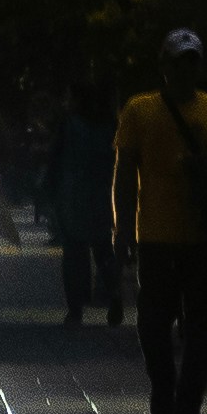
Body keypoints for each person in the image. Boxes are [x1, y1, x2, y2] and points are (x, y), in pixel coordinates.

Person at [112, 29, 207, 414]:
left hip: (204, 235)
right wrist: (121, 227)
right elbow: (124, 173)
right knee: (154, 319)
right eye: (178, 61)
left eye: (192, 61)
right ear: (164, 66)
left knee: (201, 323)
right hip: (154, 232)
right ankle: (163, 383)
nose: (185, 69)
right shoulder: (140, 110)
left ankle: (188, 406)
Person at [38, 75, 123, 328]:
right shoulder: (110, 123)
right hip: (102, 196)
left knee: (74, 253)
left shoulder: (69, 124)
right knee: (103, 250)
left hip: (72, 196)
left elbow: (55, 159)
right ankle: (114, 295)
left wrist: (47, 191)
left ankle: (75, 311)